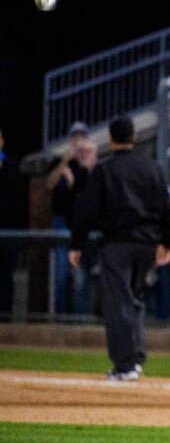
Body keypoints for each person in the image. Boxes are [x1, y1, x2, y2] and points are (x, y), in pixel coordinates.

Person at [69, 117, 170, 379]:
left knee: (118, 302)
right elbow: (169, 209)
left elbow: (86, 210)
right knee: (135, 300)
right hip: (146, 245)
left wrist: (77, 243)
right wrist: (168, 243)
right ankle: (135, 357)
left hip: (117, 244)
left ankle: (125, 365)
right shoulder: (152, 168)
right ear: (134, 138)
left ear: (110, 139)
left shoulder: (105, 170)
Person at [46, 126, 98, 314]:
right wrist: (65, 163)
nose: (78, 142)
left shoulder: (90, 169)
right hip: (62, 226)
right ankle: (59, 319)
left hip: (83, 230)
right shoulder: (62, 163)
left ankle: (81, 321)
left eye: (82, 137)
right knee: (60, 278)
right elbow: (48, 184)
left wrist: (73, 181)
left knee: (81, 279)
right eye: (74, 138)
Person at [0, 129, 18, 320]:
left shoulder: (10, 165)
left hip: (7, 228)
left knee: (6, 275)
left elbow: (14, 190)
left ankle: (6, 318)